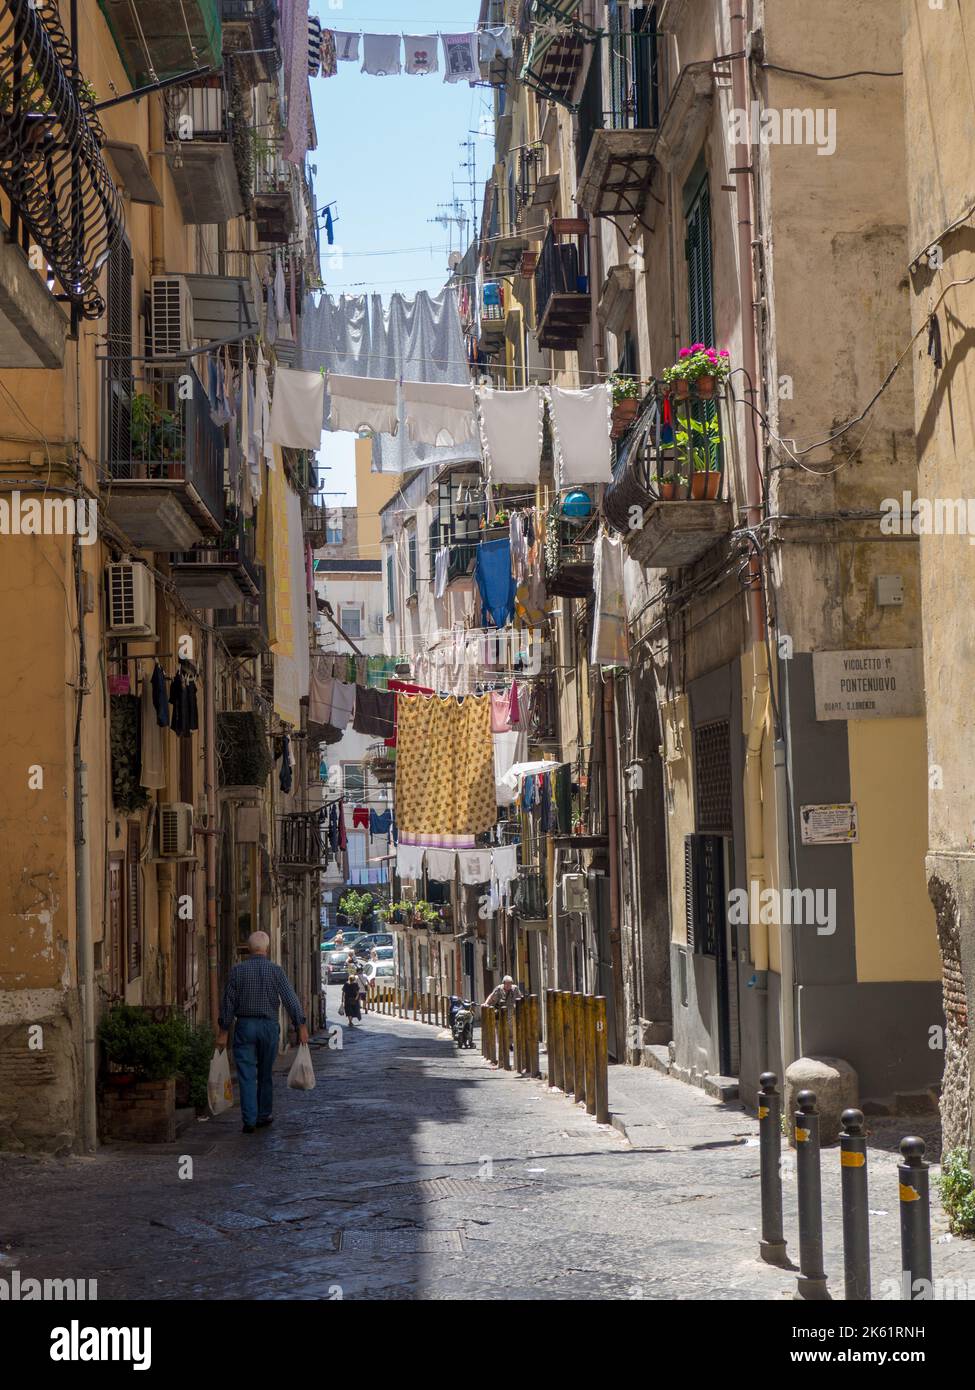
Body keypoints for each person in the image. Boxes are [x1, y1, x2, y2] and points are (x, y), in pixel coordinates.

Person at [216, 930, 308, 1134]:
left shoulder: (237, 971)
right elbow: (290, 999)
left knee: (246, 1074)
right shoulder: (276, 971)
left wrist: (223, 1030)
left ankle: (249, 1120)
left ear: (249, 949)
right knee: (265, 1073)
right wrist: (300, 1025)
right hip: (268, 1027)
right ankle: (263, 1114)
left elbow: (228, 1003)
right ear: (267, 948)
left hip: (245, 1026)